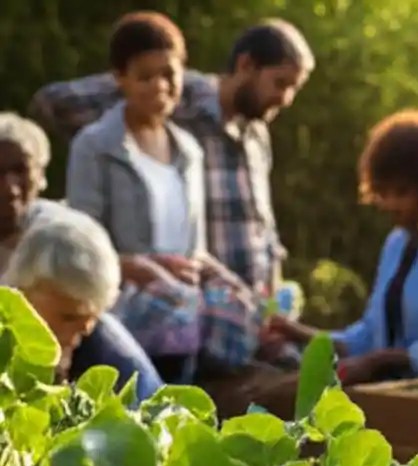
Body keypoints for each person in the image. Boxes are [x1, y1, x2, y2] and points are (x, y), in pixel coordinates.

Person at [29, 18, 313, 298]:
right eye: (280, 83)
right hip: (150, 300)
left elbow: (263, 229)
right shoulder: (186, 102)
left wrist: (268, 297)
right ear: (246, 65)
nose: (286, 98)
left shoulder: (251, 137)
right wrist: (148, 78)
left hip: (229, 304)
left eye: (294, 89)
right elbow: (54, 102)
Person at [64, 11, 257, 384]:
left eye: (168, 74)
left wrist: (223, 278)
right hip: (121, 315)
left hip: (182, 319)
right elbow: (81, 248)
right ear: (120, 79)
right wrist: (145, 267)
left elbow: (194, 249)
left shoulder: (189, 150)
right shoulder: (94, 145)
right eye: (145, 77)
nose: (159, 87)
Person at [261, 109, 418, 386]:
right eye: (383, 193)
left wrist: (388, 359)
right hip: (385, 396)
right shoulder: (397, 243)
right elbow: (370, 334)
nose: (388, 205)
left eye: (401, 193)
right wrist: (299, 333)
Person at [0, 111, 161, 399]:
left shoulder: (61, 228)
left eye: (20, 171)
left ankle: (151, 412)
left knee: (101, 333)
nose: (10, 188)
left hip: (69, 347)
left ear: (41, 175)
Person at [3, 217, 130, 388]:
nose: (86, 329)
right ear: (23, 293)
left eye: (94, 317)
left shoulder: (108, 350)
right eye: (68, 317)